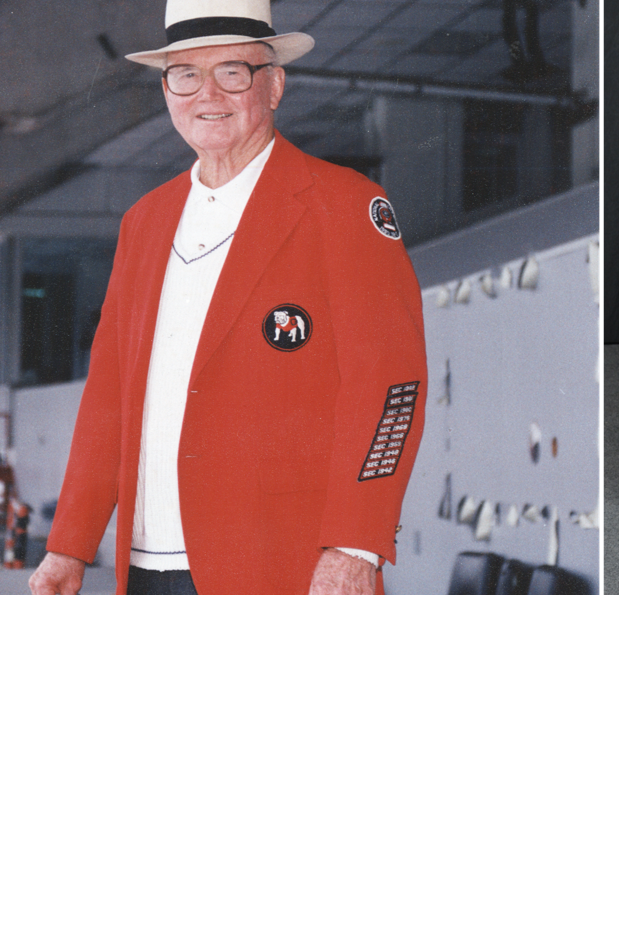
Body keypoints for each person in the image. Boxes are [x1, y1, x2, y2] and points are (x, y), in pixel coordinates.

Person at [29, 0, 427, 595]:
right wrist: (68, 547)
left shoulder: (342, 205)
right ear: (167, 91)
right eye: (186, 74)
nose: (206, 93)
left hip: (282, 567)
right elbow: (108, 397)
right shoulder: (144, 222)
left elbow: (392, 388)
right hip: (142, 567)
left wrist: (355, 544)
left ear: (274, 85)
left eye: (232, 72)